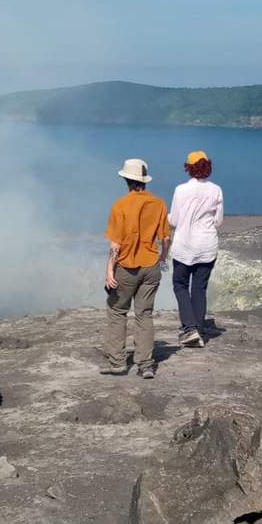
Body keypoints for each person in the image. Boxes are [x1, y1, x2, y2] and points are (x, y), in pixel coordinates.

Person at [101, 158, 171, 379]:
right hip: (151, 266)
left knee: (117, 310)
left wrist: (109, 271)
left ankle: (117, 362)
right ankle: (145, 365)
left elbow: (115, 245)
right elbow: (166, 238)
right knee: (144, 314)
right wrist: (163, 257)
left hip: (127, 267)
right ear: (144, 181)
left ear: (126, 180)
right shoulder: (158, 204)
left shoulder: (120, 205)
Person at [168, 150, 224, 348]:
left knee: (180, 285)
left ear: (189, 167)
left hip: (184, 245)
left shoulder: (180, 190)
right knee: (199, 288)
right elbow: (218, 221)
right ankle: (198, 328)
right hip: (207, 245)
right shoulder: (216, 190)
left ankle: (190, 328)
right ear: (207, 166)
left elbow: (173, 220)